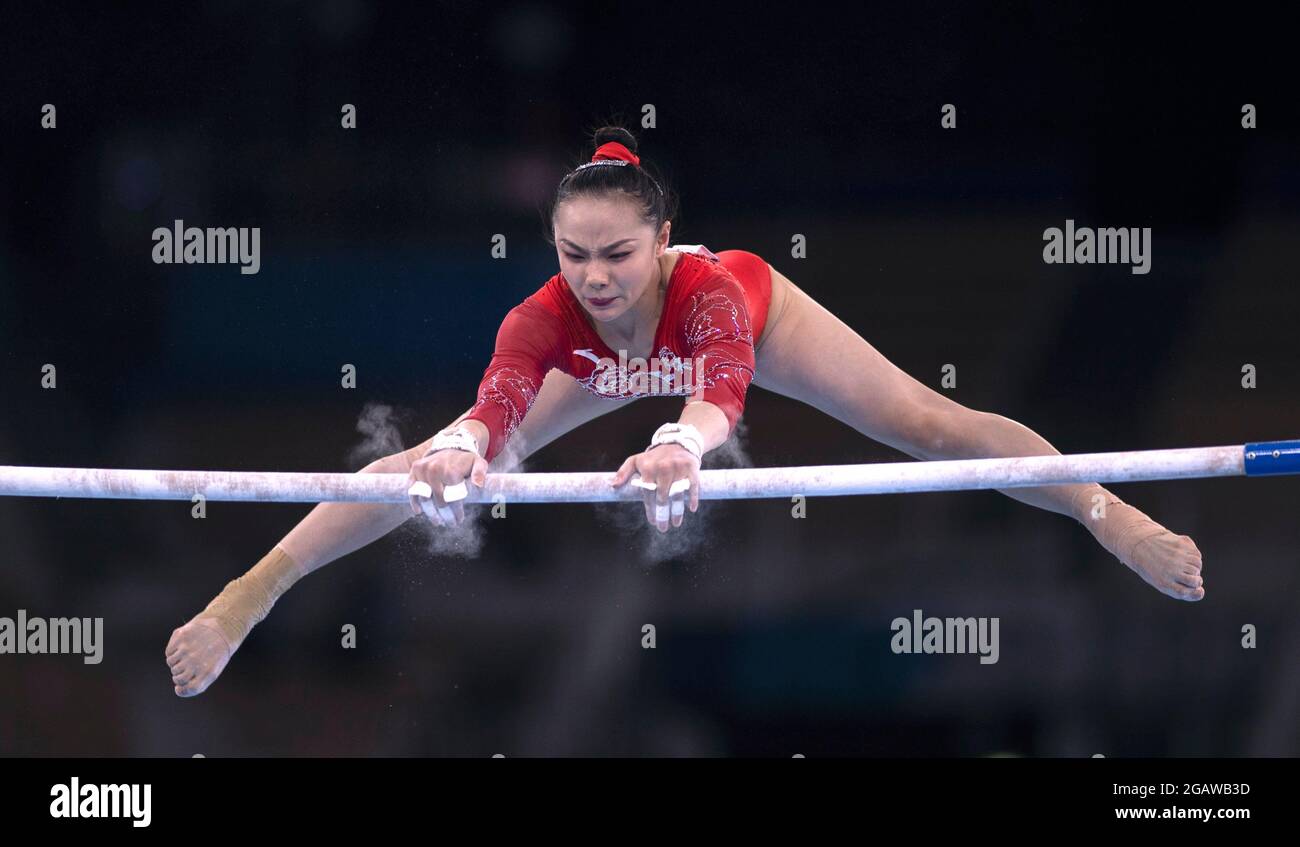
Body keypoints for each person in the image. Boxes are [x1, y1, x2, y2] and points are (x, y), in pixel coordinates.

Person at [165, 126, 1204, 697]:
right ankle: (250, 590)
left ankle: (1112, 514)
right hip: (606, 369)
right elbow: (498, 401)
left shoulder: (709, 286)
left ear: (665, 236)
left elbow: (719, 386)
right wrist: (467, 446)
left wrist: (680, 440)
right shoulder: (548, 314)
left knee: (934, 428)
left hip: (751, 330)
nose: (598, 274)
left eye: (618, 253)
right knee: (439, 453)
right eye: (575, 255)